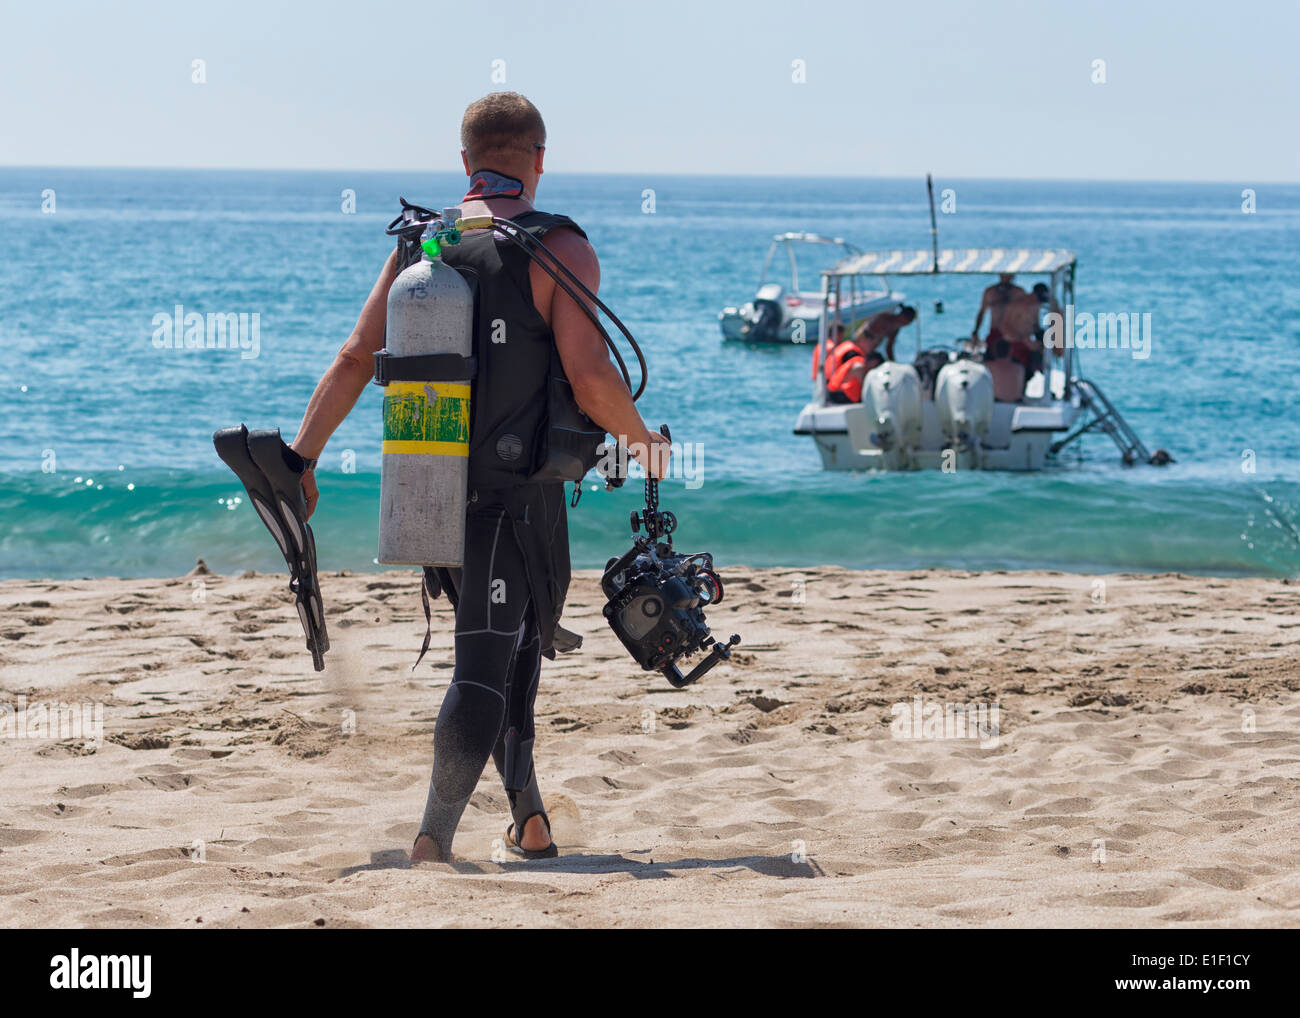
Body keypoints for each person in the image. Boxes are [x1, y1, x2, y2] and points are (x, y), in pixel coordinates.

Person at [287, 92, 669, 862]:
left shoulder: (419, 246)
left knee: (513, 649)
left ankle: (531, 822)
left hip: (429, 487)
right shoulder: (557, 247)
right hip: (513, 500)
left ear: (465, 161)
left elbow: (356, 358)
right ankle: (431, 842)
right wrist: (643, 443)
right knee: (488, 663)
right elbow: (591, 375)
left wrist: (303, 460)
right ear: (540, 159)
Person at [823, 306, 916, 404]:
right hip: (839, 393)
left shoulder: (895, 328)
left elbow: (889, 347)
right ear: (903, 316)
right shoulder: (884, 319)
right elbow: (866, 333)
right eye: (908, 321)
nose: (907, 324)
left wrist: (893, 364)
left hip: (836, 386)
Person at [972, 274, 1029, 402]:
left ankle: (1018, 391)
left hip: (1013, 334)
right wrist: (975, 332)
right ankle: (991, 392)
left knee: (1019, 363)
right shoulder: (990, 292)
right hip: (995, 333)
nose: (1006, 278)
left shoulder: (1018, 293)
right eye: (1004, 275)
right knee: (990, 364)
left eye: (1009, 276)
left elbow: (1024, 315)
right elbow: (982, 312)